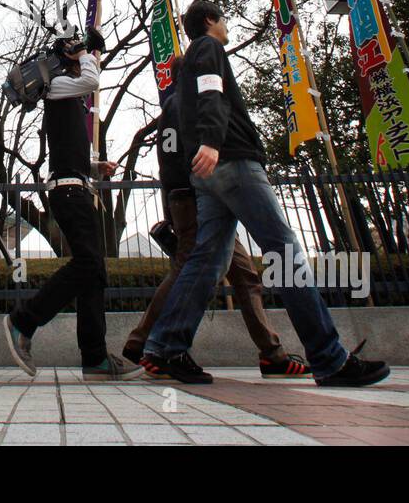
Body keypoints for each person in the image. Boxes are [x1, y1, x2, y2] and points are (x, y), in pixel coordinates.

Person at [141, 0, 390, 388]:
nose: (226, 25)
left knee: (207, 261)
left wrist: (202, 148)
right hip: (232, 163)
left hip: (204, 175)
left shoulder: (186, 65)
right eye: (223, 17)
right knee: (285, 250)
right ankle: (329, 359)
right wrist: (211, 141)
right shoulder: (207, 48)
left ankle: (165, 347)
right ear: (210, 20)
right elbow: (213, 92)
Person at [122, 83, 311, 381]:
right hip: (200, 197)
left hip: (188, 197)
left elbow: (166, 163)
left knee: (242, 275)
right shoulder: (187, 103)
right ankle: (148, 342)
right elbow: (191, 153)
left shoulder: (169, 109)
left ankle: (272, 354)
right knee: (194, 267)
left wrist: (172, 204)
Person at [2, 29, 142, 381]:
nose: (92, 61)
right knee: (88, 262)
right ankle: (24, 320)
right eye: (86, 53)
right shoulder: (59, 86)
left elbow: (67, 149)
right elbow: (92, 80)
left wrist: (95, 167)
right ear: (71, 56)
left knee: (95, 271)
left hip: (76, 186)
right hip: (67, 192)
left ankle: (94, 358)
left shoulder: (68, 96)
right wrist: (85, 54)